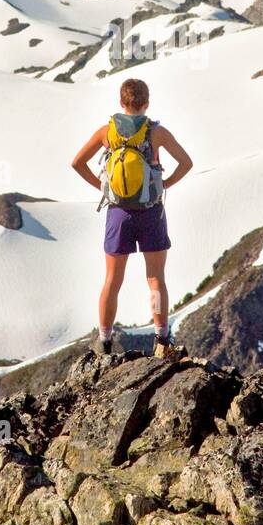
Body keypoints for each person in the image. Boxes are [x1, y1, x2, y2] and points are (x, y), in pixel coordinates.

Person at [71, 77, 193, 358]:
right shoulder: (157, 133)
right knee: (155, 278)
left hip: (118, 213)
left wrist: (104, 187)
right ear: (147, 104)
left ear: (121, 103)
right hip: (151, 211)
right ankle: (162, 338)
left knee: (112, 279)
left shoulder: (107, 132)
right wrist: (164, 184)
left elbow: (77, 162)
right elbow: (186, 163)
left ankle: (104, 341)